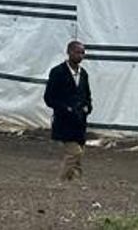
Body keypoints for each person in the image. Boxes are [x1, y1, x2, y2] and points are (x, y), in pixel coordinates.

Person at [44, 40, 93, 181]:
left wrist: (87, 107)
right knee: (74, 153)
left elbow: (87, 95)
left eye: (82, 53)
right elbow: (49, 98)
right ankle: (60, 181)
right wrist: (66, 108)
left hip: (79, 122)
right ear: (69, 52)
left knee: (79, 156)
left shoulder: (83, 74)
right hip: (64, 121)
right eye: (77, 52)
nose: (80, 55)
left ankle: (74, 183)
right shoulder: (58, 72)